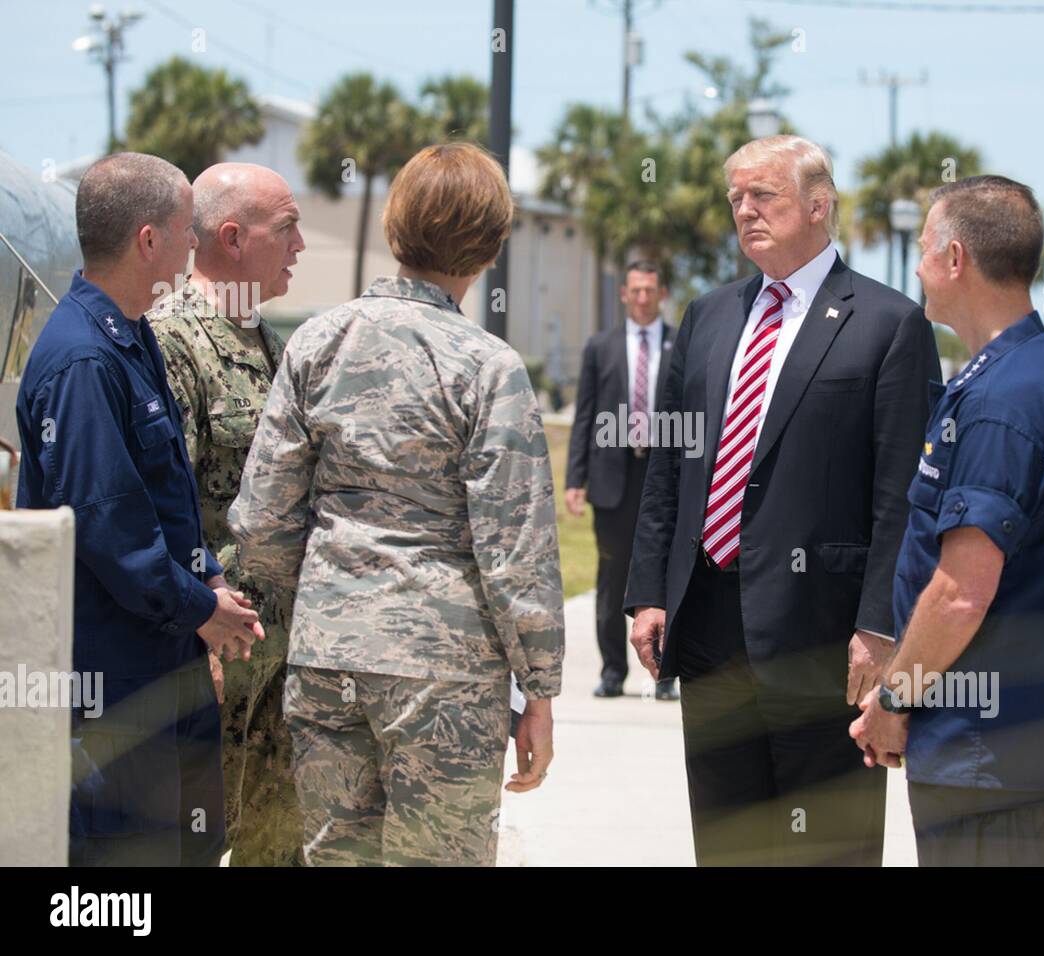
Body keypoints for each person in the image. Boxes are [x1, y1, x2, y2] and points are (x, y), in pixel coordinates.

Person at [228, 142, 564, 866]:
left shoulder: (315, 342)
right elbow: (516, 555)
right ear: (490, 246)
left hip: (329, 657)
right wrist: (539, 690)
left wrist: (326, 592)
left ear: (395, 227)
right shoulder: (487, 368)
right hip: (446, 673)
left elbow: (260, 522)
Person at [624, 135, 939, 866]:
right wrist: (648, 591)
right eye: (735, 197)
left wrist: (880, 626)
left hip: (824, 639)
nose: (744, 210)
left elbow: (903, 495)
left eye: (762, 195)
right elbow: (670, 466)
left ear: (819, 205)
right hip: (707, 625)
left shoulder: (889, 324)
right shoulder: (707, 317)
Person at [15, 152, 264, 866]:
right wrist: (200, 607)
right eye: (188, 232)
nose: (196, 248)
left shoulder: (131, 336)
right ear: (148, 241)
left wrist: (210, 579)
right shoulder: (85, 360)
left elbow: (167, 500)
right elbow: (111, 527)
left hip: (162, 677)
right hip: (116, 697)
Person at [851, 175, 1044, 866]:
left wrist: (893, 700)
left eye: (925, 249)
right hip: (1004, 751)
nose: (916, 268)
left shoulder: (1007, 399)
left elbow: (963, 590)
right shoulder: (1024, 375)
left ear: (956, 258)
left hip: (990, 758)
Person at [150, 162, 306, 866]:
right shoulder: (171, 342)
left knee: (276, 848)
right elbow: (163, 503)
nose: (300, 245)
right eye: (288, 228)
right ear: (235, 239)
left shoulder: (274, 345)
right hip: (214, 651)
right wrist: (195, 625)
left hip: (277, 659)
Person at [565, 260, 678, 700]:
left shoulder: (679, 343)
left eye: (651, 290)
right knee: (612, 576)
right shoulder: (601, 346)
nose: (644, 298)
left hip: (662, 475)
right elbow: (584, 416)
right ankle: (613, 670)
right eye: (636, 290)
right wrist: (576, 479)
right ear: (624, 294)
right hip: (612, 478)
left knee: (665, 576)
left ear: (662, 293)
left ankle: (665, 672)